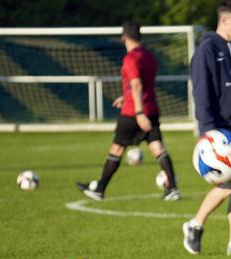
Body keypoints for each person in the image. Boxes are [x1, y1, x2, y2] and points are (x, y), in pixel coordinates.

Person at [182, 0, 231, 256]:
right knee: (230, 183)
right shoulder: (207, 49)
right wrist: (209, 132)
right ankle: (195, 224)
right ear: (225, 20)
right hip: (221, 130)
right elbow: (201, 92)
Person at [77, 20, 180, 202]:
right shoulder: (150, 56)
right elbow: (145, 85)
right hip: (151, 108)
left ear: (124, 37)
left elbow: (137, 84)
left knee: (116, 149)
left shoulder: (131, 58)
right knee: (157, 147)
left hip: (134, 112)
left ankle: (99, 189)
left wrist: (138, 112)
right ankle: (172, 188)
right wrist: (127, 96)